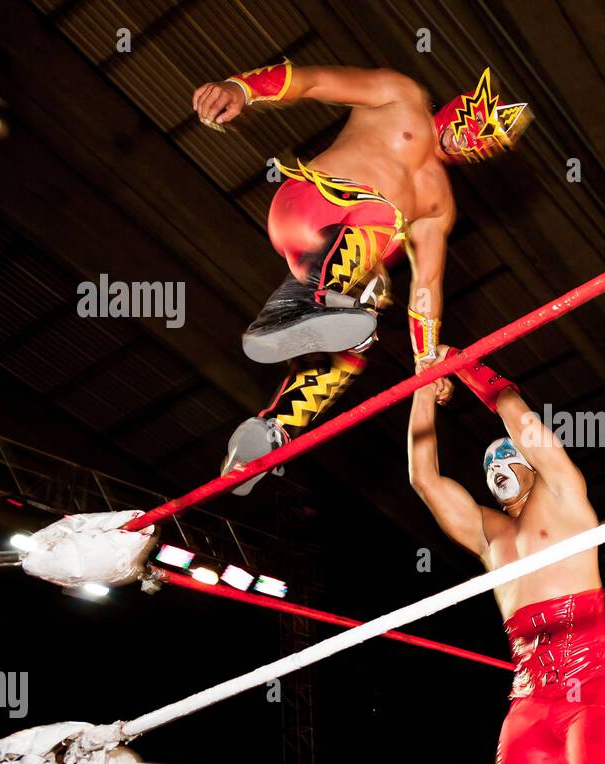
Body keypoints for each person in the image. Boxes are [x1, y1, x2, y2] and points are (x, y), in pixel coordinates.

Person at [192, 62, 530, 493]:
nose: (466, 143)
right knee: (384, 215)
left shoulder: (440, 202)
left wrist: (427, 363)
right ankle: (298, 305)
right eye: (473, 128)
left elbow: (426, 287)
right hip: (310, 203)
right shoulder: (402, 93)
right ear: (463, 105)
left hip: (330, 260)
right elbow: (314, 81)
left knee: (361, 328)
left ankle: (271, 430)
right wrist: (240, 88)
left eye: (481, 147)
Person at [407, 347, 605, 764]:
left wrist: (472, 371)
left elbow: (528, 429)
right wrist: (422, 386)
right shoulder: (489, 534)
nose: (495, 467)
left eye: (504, 456)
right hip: (528, 693)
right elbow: (424, 479)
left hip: (591, 677)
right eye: (487, 464)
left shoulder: (565, 496)